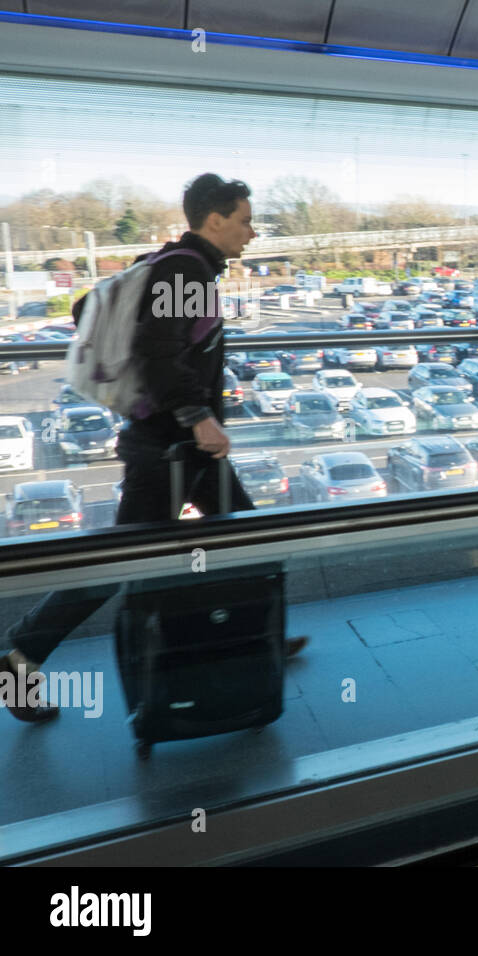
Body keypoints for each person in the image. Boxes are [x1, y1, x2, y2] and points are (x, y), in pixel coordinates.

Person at [1, 173, 306, 723]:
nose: (252, 232)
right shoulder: (187, 270)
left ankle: (256, 638)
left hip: (180, 445)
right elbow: (159, 352)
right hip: (168, 446)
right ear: (214, 219)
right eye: (244, 220)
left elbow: (87, 310)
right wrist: (198, 416)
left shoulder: (170, 262)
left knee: (246, 538)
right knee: (122, 558)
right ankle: (19, 656)